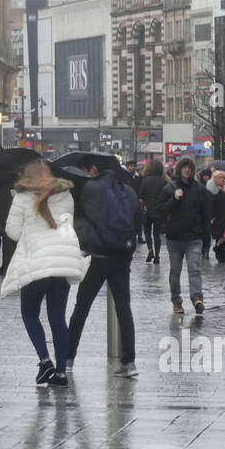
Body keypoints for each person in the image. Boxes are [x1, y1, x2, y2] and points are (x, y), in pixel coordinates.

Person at [0, 158, 87, 388]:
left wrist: (31, 235)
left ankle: (44, 360)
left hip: (36, 265)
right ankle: (60, 373)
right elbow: (67, 225)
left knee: (29, 314)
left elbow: (12, 232)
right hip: (61, 263)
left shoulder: (21, 198)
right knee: (58, 318)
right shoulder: (65, 195)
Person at [67, 160, 141, 376]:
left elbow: (83, 219)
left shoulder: (91, 188)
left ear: (94, 169)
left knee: (81, 307)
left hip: (99, 255)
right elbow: (137, 220)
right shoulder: (127, 191)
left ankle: (68, 358)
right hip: (122, 255)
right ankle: (129, 362)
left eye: (86, 169)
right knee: (124, 308)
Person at [156, 157, 213, 313]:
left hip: (194, 238)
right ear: (179, 169)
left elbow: (205, 213)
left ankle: (197, 297)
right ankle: (177, 302)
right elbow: (161, 211)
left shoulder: (199, 189)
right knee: (175, 271)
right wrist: (174, 199)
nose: (187, 170)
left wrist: (206, 235)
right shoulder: (170, 188)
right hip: (174, 239)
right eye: (184, 167)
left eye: (189, 167)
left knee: (194, 268)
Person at [138, 159, 166, 264]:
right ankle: (157, 256)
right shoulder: (163, 181)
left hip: (148, 210)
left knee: (147, 232)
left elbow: (140, 197)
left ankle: (150, 250)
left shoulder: (145, 180)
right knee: (156, 234)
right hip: (159, 211)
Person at [206, 168, 225, 263]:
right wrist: (212, 217)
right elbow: (210, 205)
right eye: (220, 177)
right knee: (221, 237)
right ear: (214, 178)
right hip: (218, 218)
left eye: (223, 177)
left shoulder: (224, 187)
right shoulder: (212, 190)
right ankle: (221, 257)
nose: (222, 179)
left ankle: (219, 252)